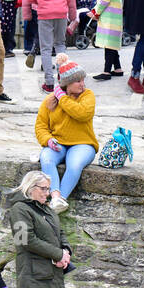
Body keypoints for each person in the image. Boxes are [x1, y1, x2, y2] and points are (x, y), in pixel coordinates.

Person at [36, 55, 99, 211]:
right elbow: (40, 126)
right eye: (78, 81)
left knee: (74, 164)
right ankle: (56, 197)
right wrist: (48, 140)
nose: (82, 84)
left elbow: (82, 113)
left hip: (83, 144)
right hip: (59, 144)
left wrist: (62, 98)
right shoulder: (50, 100)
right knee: (46, 158)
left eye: (83, 80)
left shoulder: (88, 95)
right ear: (66, 84)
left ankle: (59, 200)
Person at [22, 0, 75, 93]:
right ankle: (63, 79)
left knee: (46, 48)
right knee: (60, 45)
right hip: (61, 11)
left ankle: (49, 82)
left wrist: (40, 1)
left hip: (45, 12)